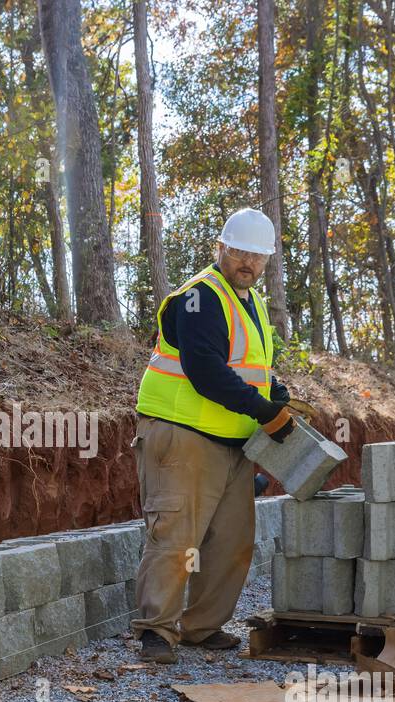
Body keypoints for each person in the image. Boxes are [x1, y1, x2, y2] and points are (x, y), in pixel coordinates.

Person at [131, 207, 294, 663]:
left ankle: (201, 627)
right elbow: (205, 370)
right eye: (240, 252)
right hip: (183, 434)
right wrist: (265, 413)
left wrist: (276, 397)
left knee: (230, 541)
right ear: (219, 248)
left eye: (259, 257)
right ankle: (155, 632)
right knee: (177, 536)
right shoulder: (199, 298)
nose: (249, 263)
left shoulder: (252, 304)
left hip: (232, 441)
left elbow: (256, 370)